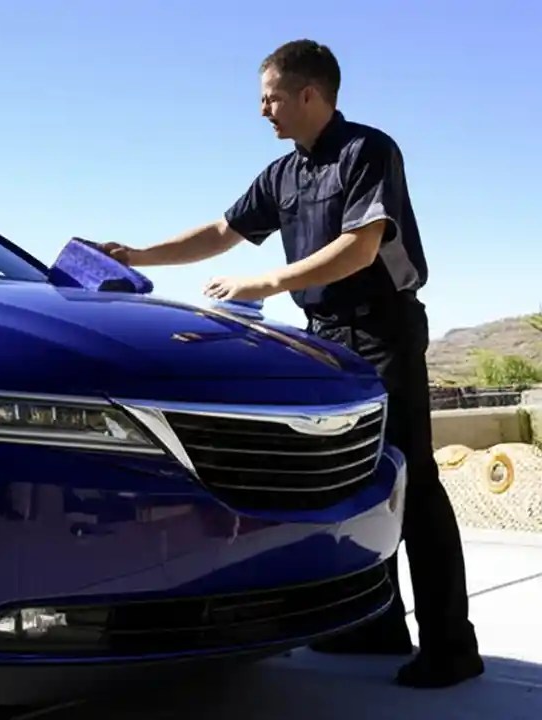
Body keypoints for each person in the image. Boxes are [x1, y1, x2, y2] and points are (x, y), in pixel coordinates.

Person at [74, 39, 484, 689]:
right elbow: (221, 232)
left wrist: (260, 284)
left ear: (309, 95)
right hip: (324, 337)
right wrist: (137, 254)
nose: (263, 110)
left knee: (413, 483)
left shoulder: (367, 151)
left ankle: (452, 647)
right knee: (354, 481)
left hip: (382, 333)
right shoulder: (282, 174)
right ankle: (375, 627)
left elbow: (359, 248)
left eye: (270, 97)